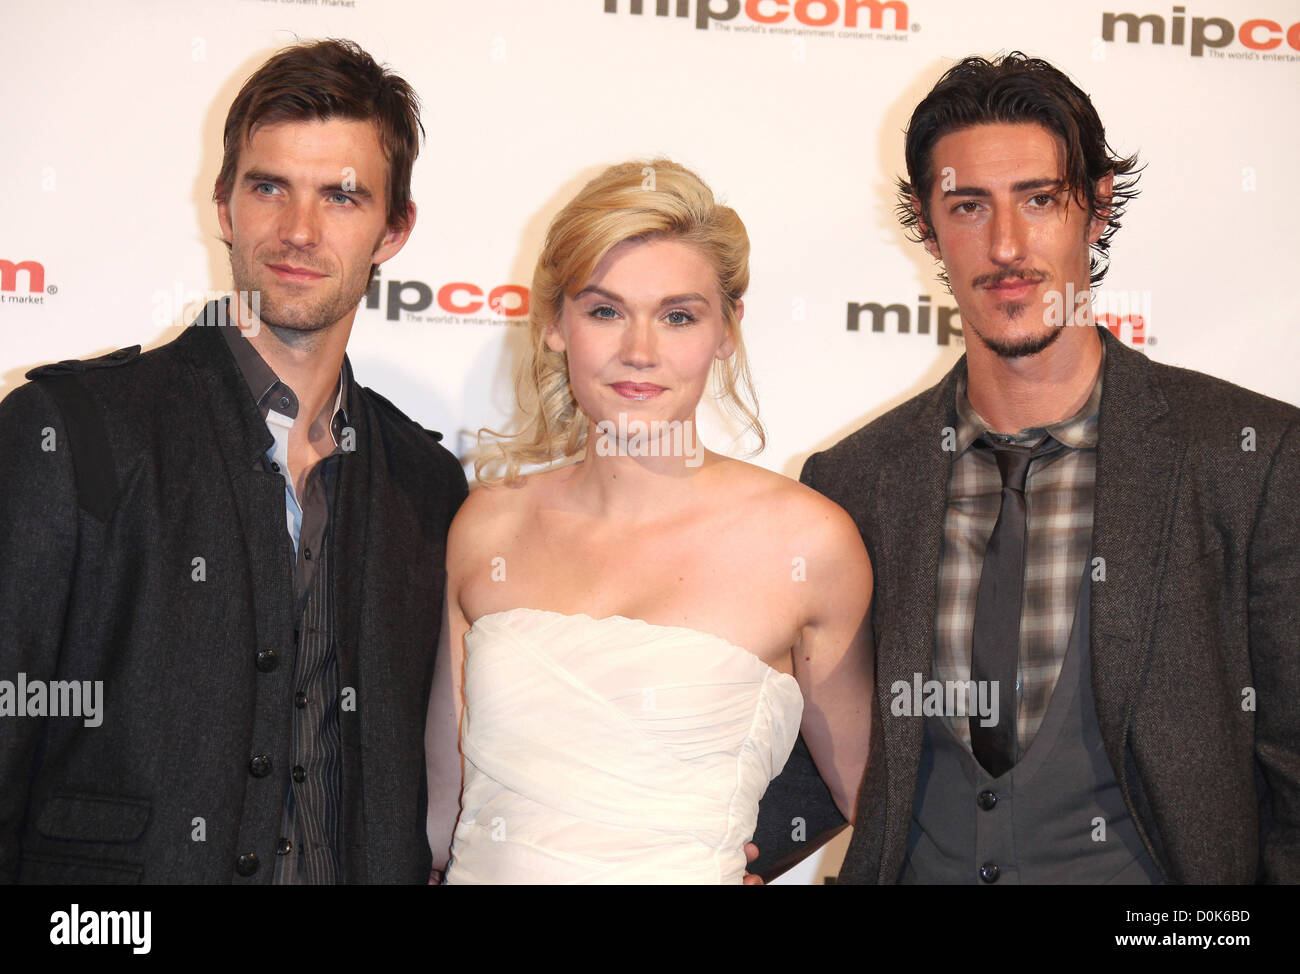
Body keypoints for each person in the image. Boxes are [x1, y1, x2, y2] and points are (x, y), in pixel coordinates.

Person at [754, 52, 1300, 884]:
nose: (1006, 246)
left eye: (1039, 200)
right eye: (968, 206)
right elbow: (827, 746)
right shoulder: (857, 480)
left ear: (1097, 208)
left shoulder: (1248, 459)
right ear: (927, 224)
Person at [0, 39, 467, 883]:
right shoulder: (70, 433)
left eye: (342, 197)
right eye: (268, 187)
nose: (298, 230)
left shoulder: (427, 485)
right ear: (222, 204)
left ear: (393, 230)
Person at [424, 159, 873, 884]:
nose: (639, 350)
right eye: (604, 311)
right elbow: (442, 806)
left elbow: (870, 793)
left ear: (726, 330)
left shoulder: (807, 541)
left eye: (678, 316)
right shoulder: (488, 527)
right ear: (554, 326)